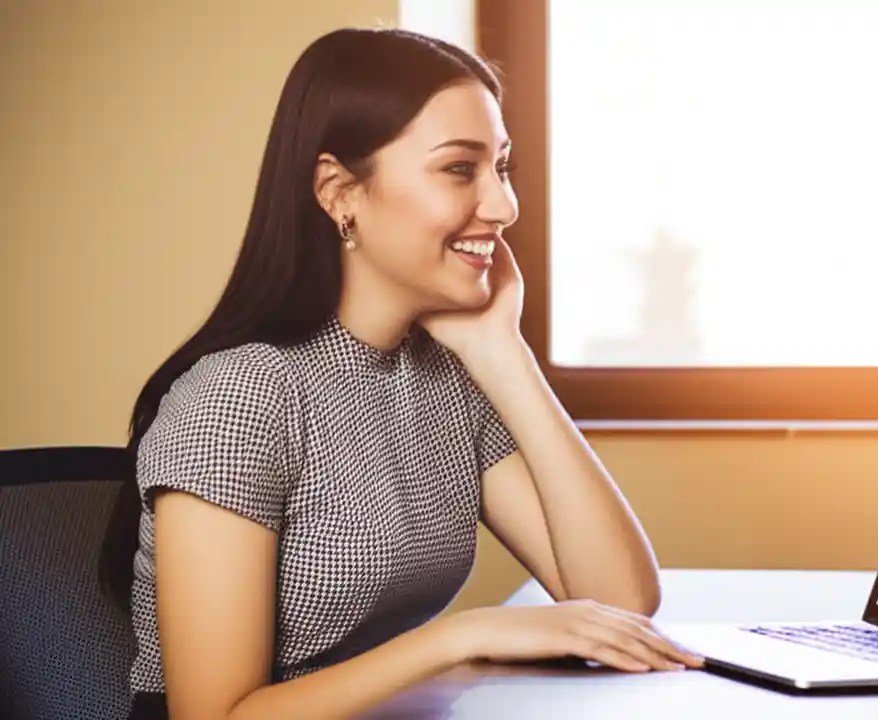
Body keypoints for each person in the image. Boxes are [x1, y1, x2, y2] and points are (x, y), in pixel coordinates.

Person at [98, 27, 702, 720]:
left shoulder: (446, 378)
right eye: (459, 169)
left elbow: (619, 602)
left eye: (502, 168)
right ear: (340, 192)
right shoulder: (240, 395)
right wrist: (459, 637)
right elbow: (215, 716)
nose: (504, 207)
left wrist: (506, 354)